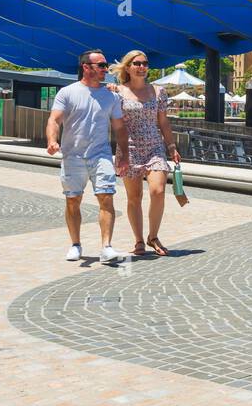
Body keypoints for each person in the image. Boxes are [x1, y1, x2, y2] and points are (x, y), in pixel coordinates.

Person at [46, 50, 130, 263]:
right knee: (73, 200)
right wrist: (52, 141)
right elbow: (54, 120)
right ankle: (75, 244)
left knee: (106, 197)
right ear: (86, 67)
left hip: (100, 154)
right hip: (72, 156)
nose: (105, 69)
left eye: (105, 65)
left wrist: (123, 154)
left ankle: (106, 246)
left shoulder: (110, 96)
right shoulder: (67, 92)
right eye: (101, 65)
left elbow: (120, 128)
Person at [110, 50, 181, 257]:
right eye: (137, 63)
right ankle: (139, 240)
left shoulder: (158, 92)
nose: (142, 67)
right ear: (128, 67)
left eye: (145, 63)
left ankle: (153, 236)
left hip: (154, 148)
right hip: (129, 148)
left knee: (158, 191)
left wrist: (172, 147)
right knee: (134, 197)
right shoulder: (118, 93)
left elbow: (163, 121)